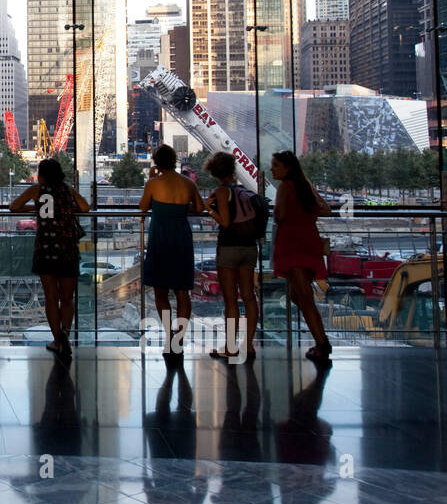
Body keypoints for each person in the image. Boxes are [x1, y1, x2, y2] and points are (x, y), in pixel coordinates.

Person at [9, 157, 90, 361]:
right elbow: (85, 207)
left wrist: (34, 208)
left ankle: (56, 339)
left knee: (51, 297)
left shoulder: (36, 190)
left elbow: (14, 206)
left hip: (45, 248)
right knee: (67, 298)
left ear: (42, 174)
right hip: (67, 249)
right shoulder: (67, 189)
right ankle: (66, 335)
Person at [139, 144, 205, 360]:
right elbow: (198, 208)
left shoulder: (153, 183)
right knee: (182, 291)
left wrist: (151, 177)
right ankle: (180, 339)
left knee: (160, 291)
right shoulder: (188, 183)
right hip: (182, 238)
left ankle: (169, 337)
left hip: (160, 238)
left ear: (156, 162)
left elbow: (142, 207)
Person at [270, 150, 333, 364]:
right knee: (298, 295)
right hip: (309, 241)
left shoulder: (285, 188)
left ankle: (322, 343)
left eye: (276, 165)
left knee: (304, 299)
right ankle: (321, 341)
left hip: (293, 244)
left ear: (288, 168)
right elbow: (325, 209)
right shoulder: (304, 186)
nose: (272, 169)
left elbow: (280, 215)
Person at [204, 152, 259, 360]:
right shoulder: (243, 190)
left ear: (215, 172)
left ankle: (230, 346)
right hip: (249, 247)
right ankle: (250, 345)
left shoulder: (221, 191)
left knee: (230, 300)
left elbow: (225, 222)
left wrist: (209, 209)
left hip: (229, 247)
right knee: (249, 296)